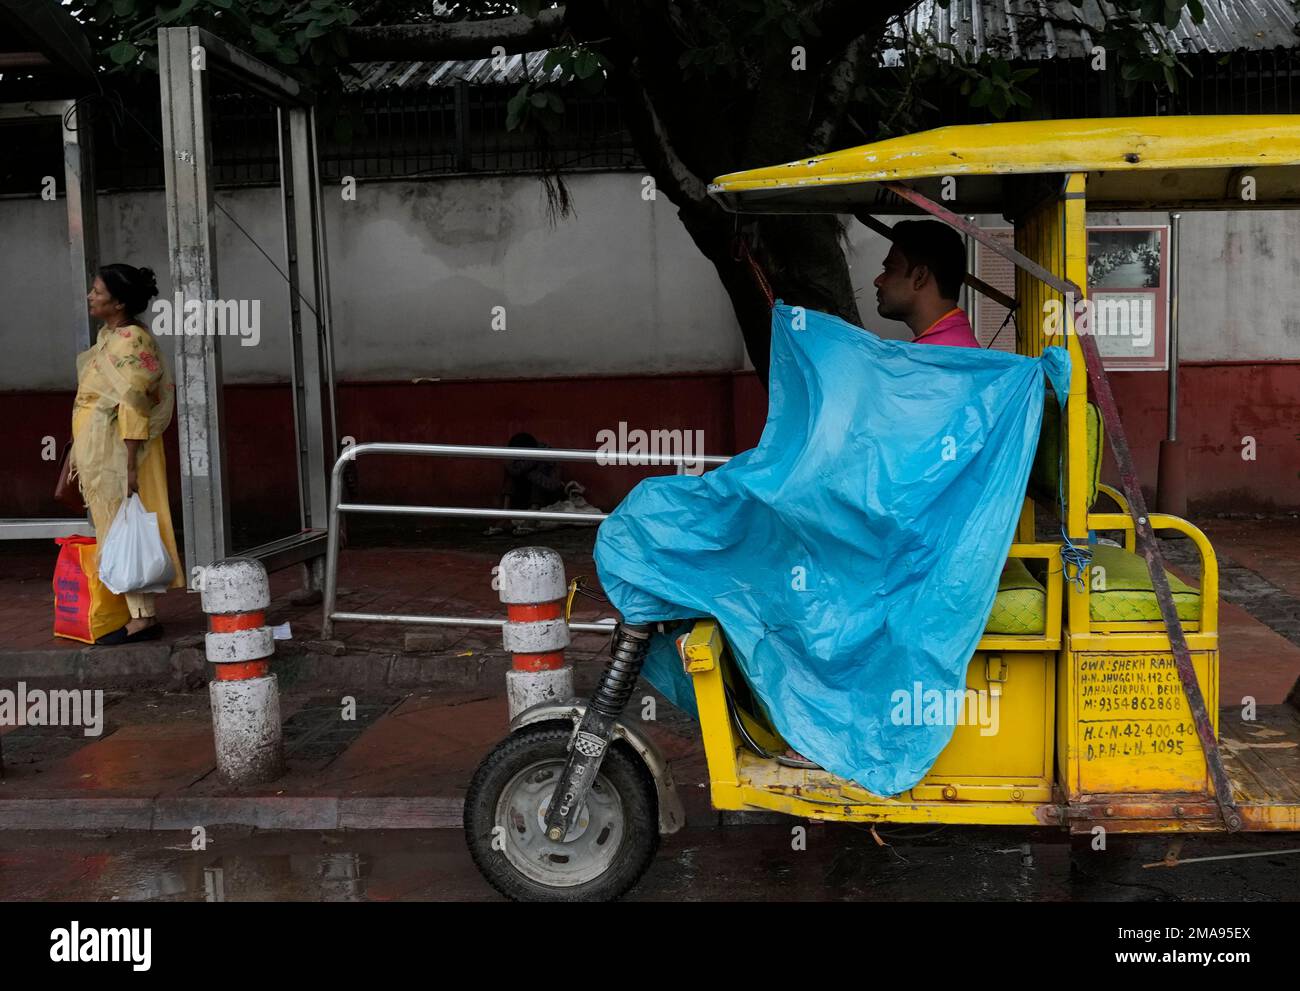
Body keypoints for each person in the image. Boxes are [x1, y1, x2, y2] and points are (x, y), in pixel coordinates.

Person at [71, 264, 185, 643]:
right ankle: (132, 610)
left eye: (97, 291)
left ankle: (143, 618)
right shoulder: (111, 336)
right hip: (102, 445)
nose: (91, 296)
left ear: (118, 302)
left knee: (125, 526)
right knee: (113, 526)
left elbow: (133, 404)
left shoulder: (132, 341)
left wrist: (130, 462)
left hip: (122, 448)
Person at [873, 219, 979, 348]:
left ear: (920, 277)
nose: (877, 281)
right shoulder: (952, 347)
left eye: (889, 270)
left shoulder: (939, 356)